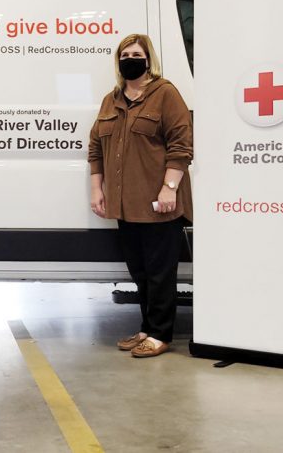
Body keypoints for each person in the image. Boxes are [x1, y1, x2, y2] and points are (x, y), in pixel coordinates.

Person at [88, 33, 193, 358]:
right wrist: (97, 188)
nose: (130, 59)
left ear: (148, 61)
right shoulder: (112, 100)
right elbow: (96, 147)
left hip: (159, 203)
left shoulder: (165, 94)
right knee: (141, 273)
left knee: (161, 273)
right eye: (124, 54)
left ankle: (161, 334)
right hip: (125, 206)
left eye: (136, 54)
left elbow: (181, 145)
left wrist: (169, 188)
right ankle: (147, 328)